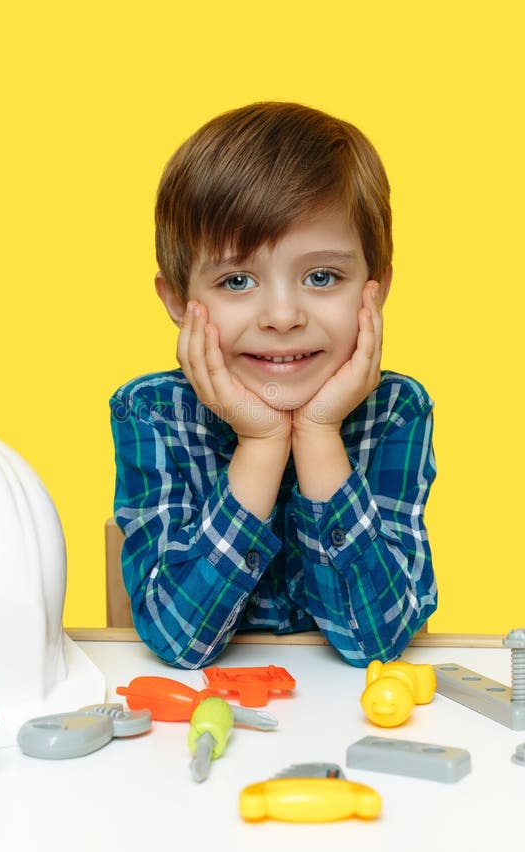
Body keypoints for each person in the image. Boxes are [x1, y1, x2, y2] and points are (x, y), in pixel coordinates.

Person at [110, 101, 437, 669]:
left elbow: (376, 642)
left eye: (321, 277)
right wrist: (261, 446)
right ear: (176, 301)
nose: (282, 316)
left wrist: (318, 433)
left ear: (374, 291)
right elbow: (178, 640)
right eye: (237, 280)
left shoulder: (396, 412)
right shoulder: (153, 413)